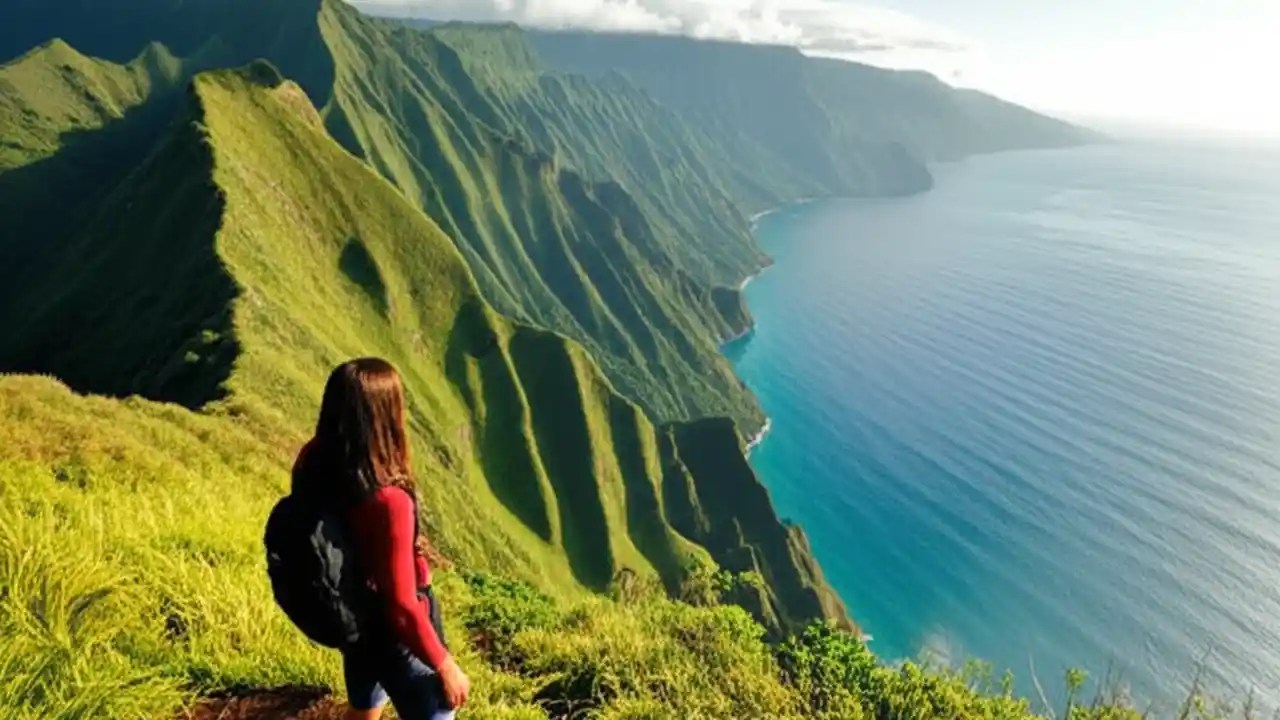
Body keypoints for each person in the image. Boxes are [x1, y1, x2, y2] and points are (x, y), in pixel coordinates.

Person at [292, 357, 471, 719]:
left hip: (353, 621)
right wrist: (445, 665)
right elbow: (402, 606)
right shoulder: (389, 501)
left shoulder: (313, 460)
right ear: (384, 415)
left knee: (364, 709)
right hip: (397, 639)